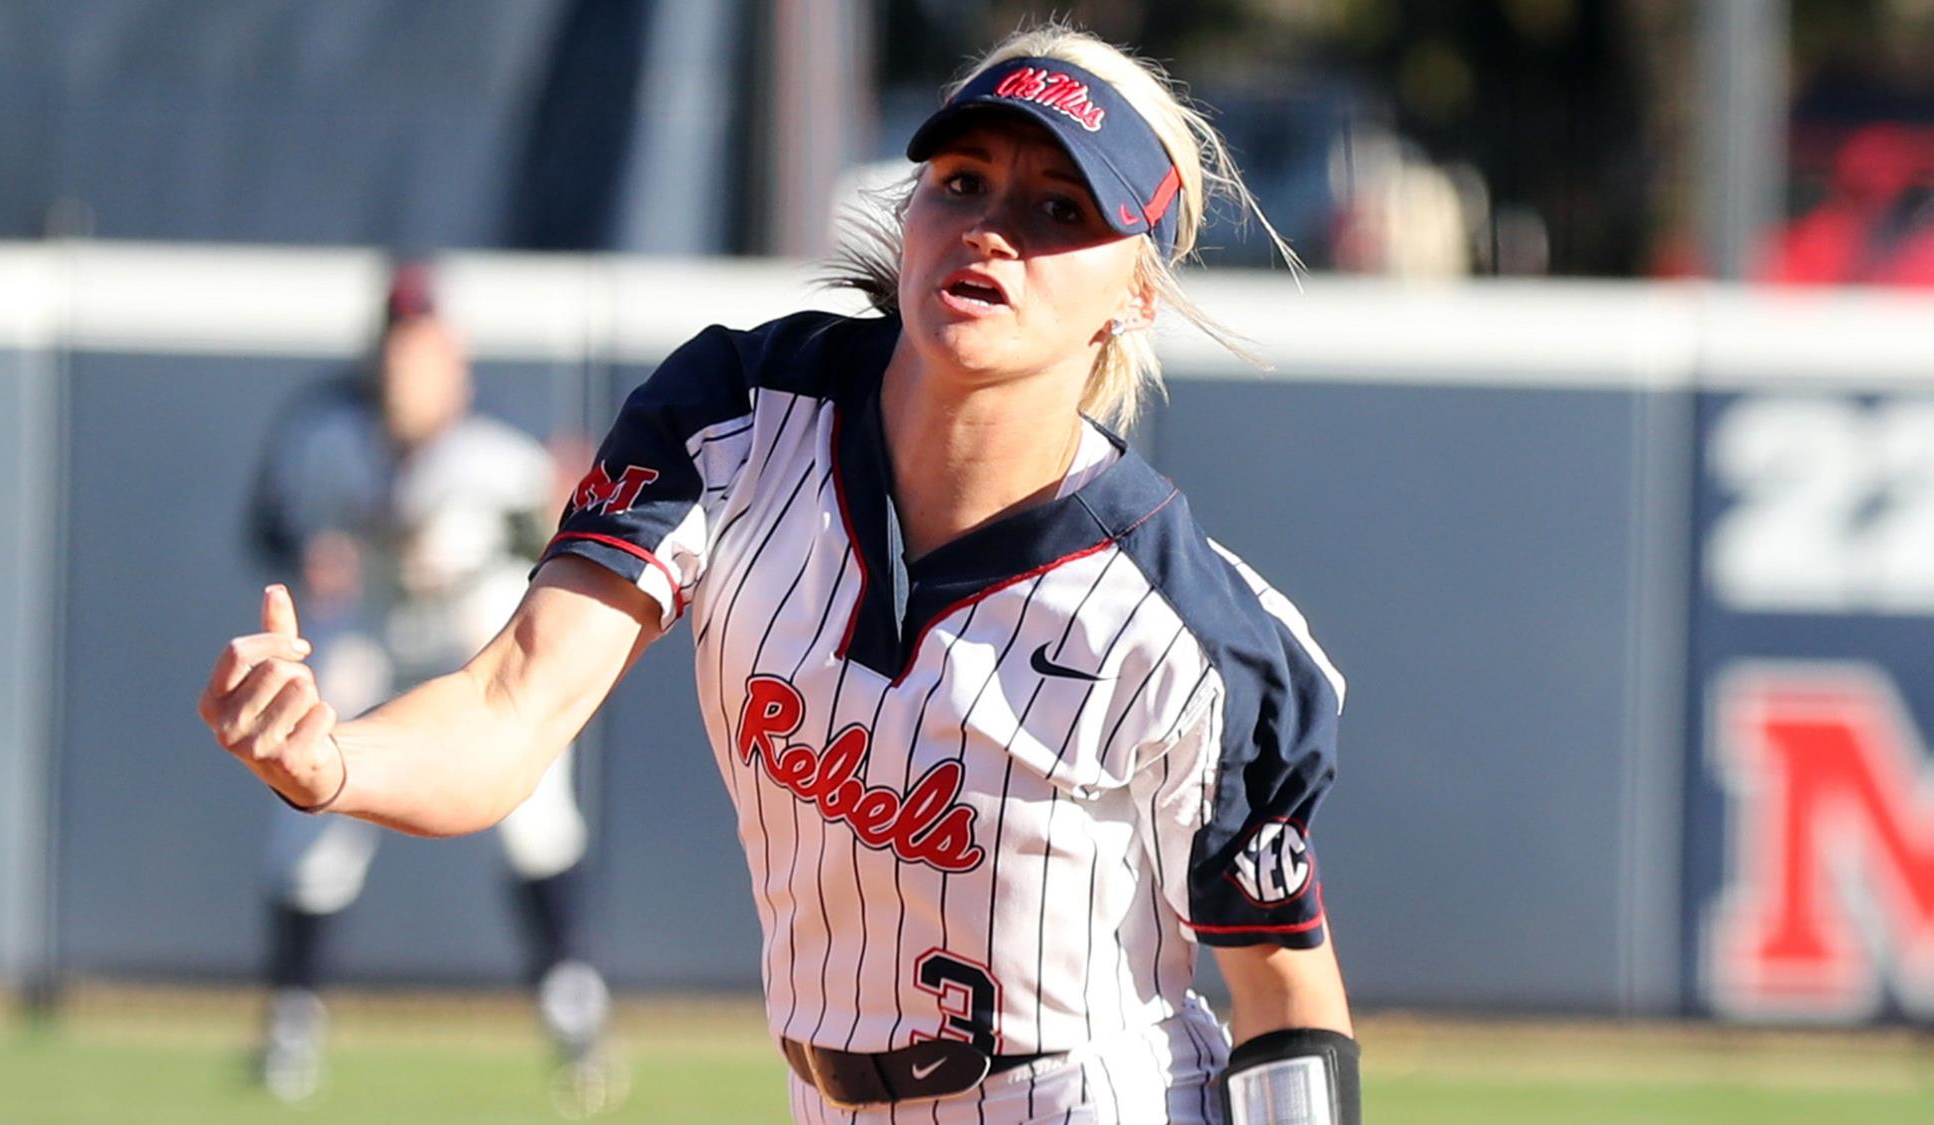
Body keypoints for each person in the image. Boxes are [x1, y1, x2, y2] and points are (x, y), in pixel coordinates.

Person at [201, 25, 1359, 1123]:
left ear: (1137, 294)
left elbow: (1281, 998)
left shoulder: (1193, 633)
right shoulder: (733, 422)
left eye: (1059, 211)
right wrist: (333, 758)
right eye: (960, 182)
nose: (991, 231)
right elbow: (510, 707)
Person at [240, 262, 618, 1109]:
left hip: (471, 618)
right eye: (396, 344)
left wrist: (567, 502)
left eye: (422, 345)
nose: (406, 362)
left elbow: (573, 523)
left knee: (532, 810)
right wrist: (306, 552)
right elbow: (267, 518)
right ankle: (290, 1021)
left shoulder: (496, 441)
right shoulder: (323, 428)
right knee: (308, 800)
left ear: (451, 356)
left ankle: (574, 1009)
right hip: (369, 616)